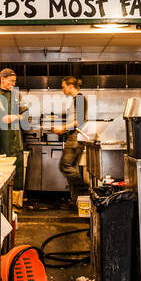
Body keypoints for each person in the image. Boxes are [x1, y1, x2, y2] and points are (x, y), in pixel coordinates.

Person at [53, 76, 88, 210]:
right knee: (72, 167)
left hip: (75, 138)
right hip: (73, 136)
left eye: (63, 86)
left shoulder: (79, 98)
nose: (62, 89)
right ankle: (76, 201)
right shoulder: (75, 99)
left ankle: (85, 190)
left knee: (65, 166)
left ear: (70, 86)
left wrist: (63, 128)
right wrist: (63, 129)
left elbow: (80, 121)